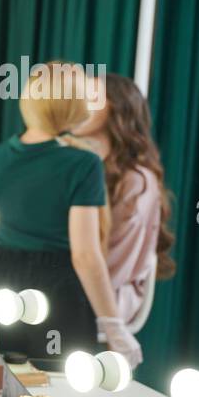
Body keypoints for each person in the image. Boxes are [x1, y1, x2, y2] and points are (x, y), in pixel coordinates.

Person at [0, 62, 142, 369]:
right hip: (58, 289)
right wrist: (113, 325)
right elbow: (86, 255)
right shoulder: (83, 164)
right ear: (73, 106)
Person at [71, 72, 176, 324]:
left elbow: (113, 266)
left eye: (92, 97)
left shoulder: (137, 182)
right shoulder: (76, 165)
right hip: (71, 286)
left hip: (104, 299)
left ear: (118, 107)